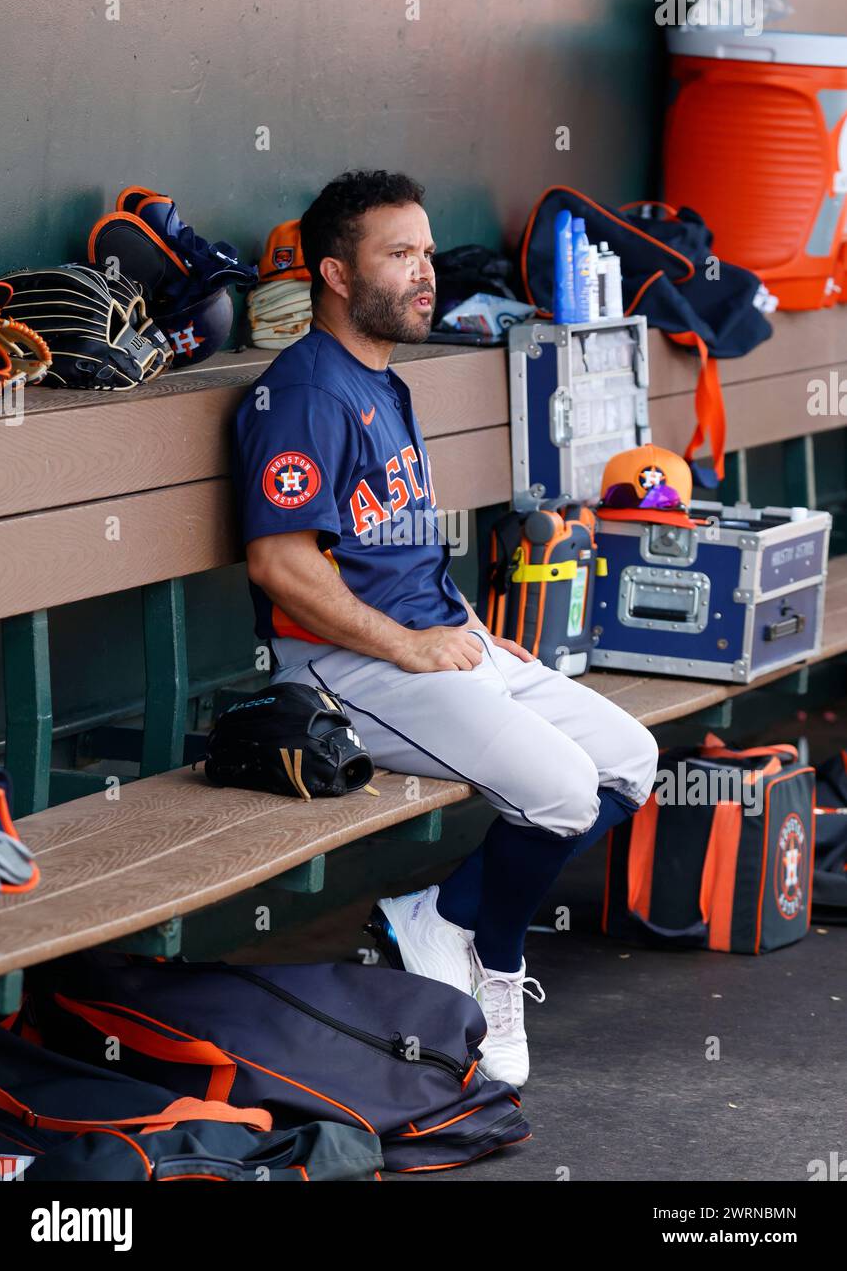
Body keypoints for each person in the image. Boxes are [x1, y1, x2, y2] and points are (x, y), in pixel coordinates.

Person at [231, 169, 658, 1086]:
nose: (425, 273)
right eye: (400, 255)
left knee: (629, 761)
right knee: (560, 789)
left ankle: (442, 917)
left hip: (438, 648)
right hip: (346, 668)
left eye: (426, 252)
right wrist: (410, 646)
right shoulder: (307, 392)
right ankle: (496, 965)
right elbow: (281, 564)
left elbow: (400, 548)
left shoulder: (384, 380)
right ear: (337, 275)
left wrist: (464, 626)